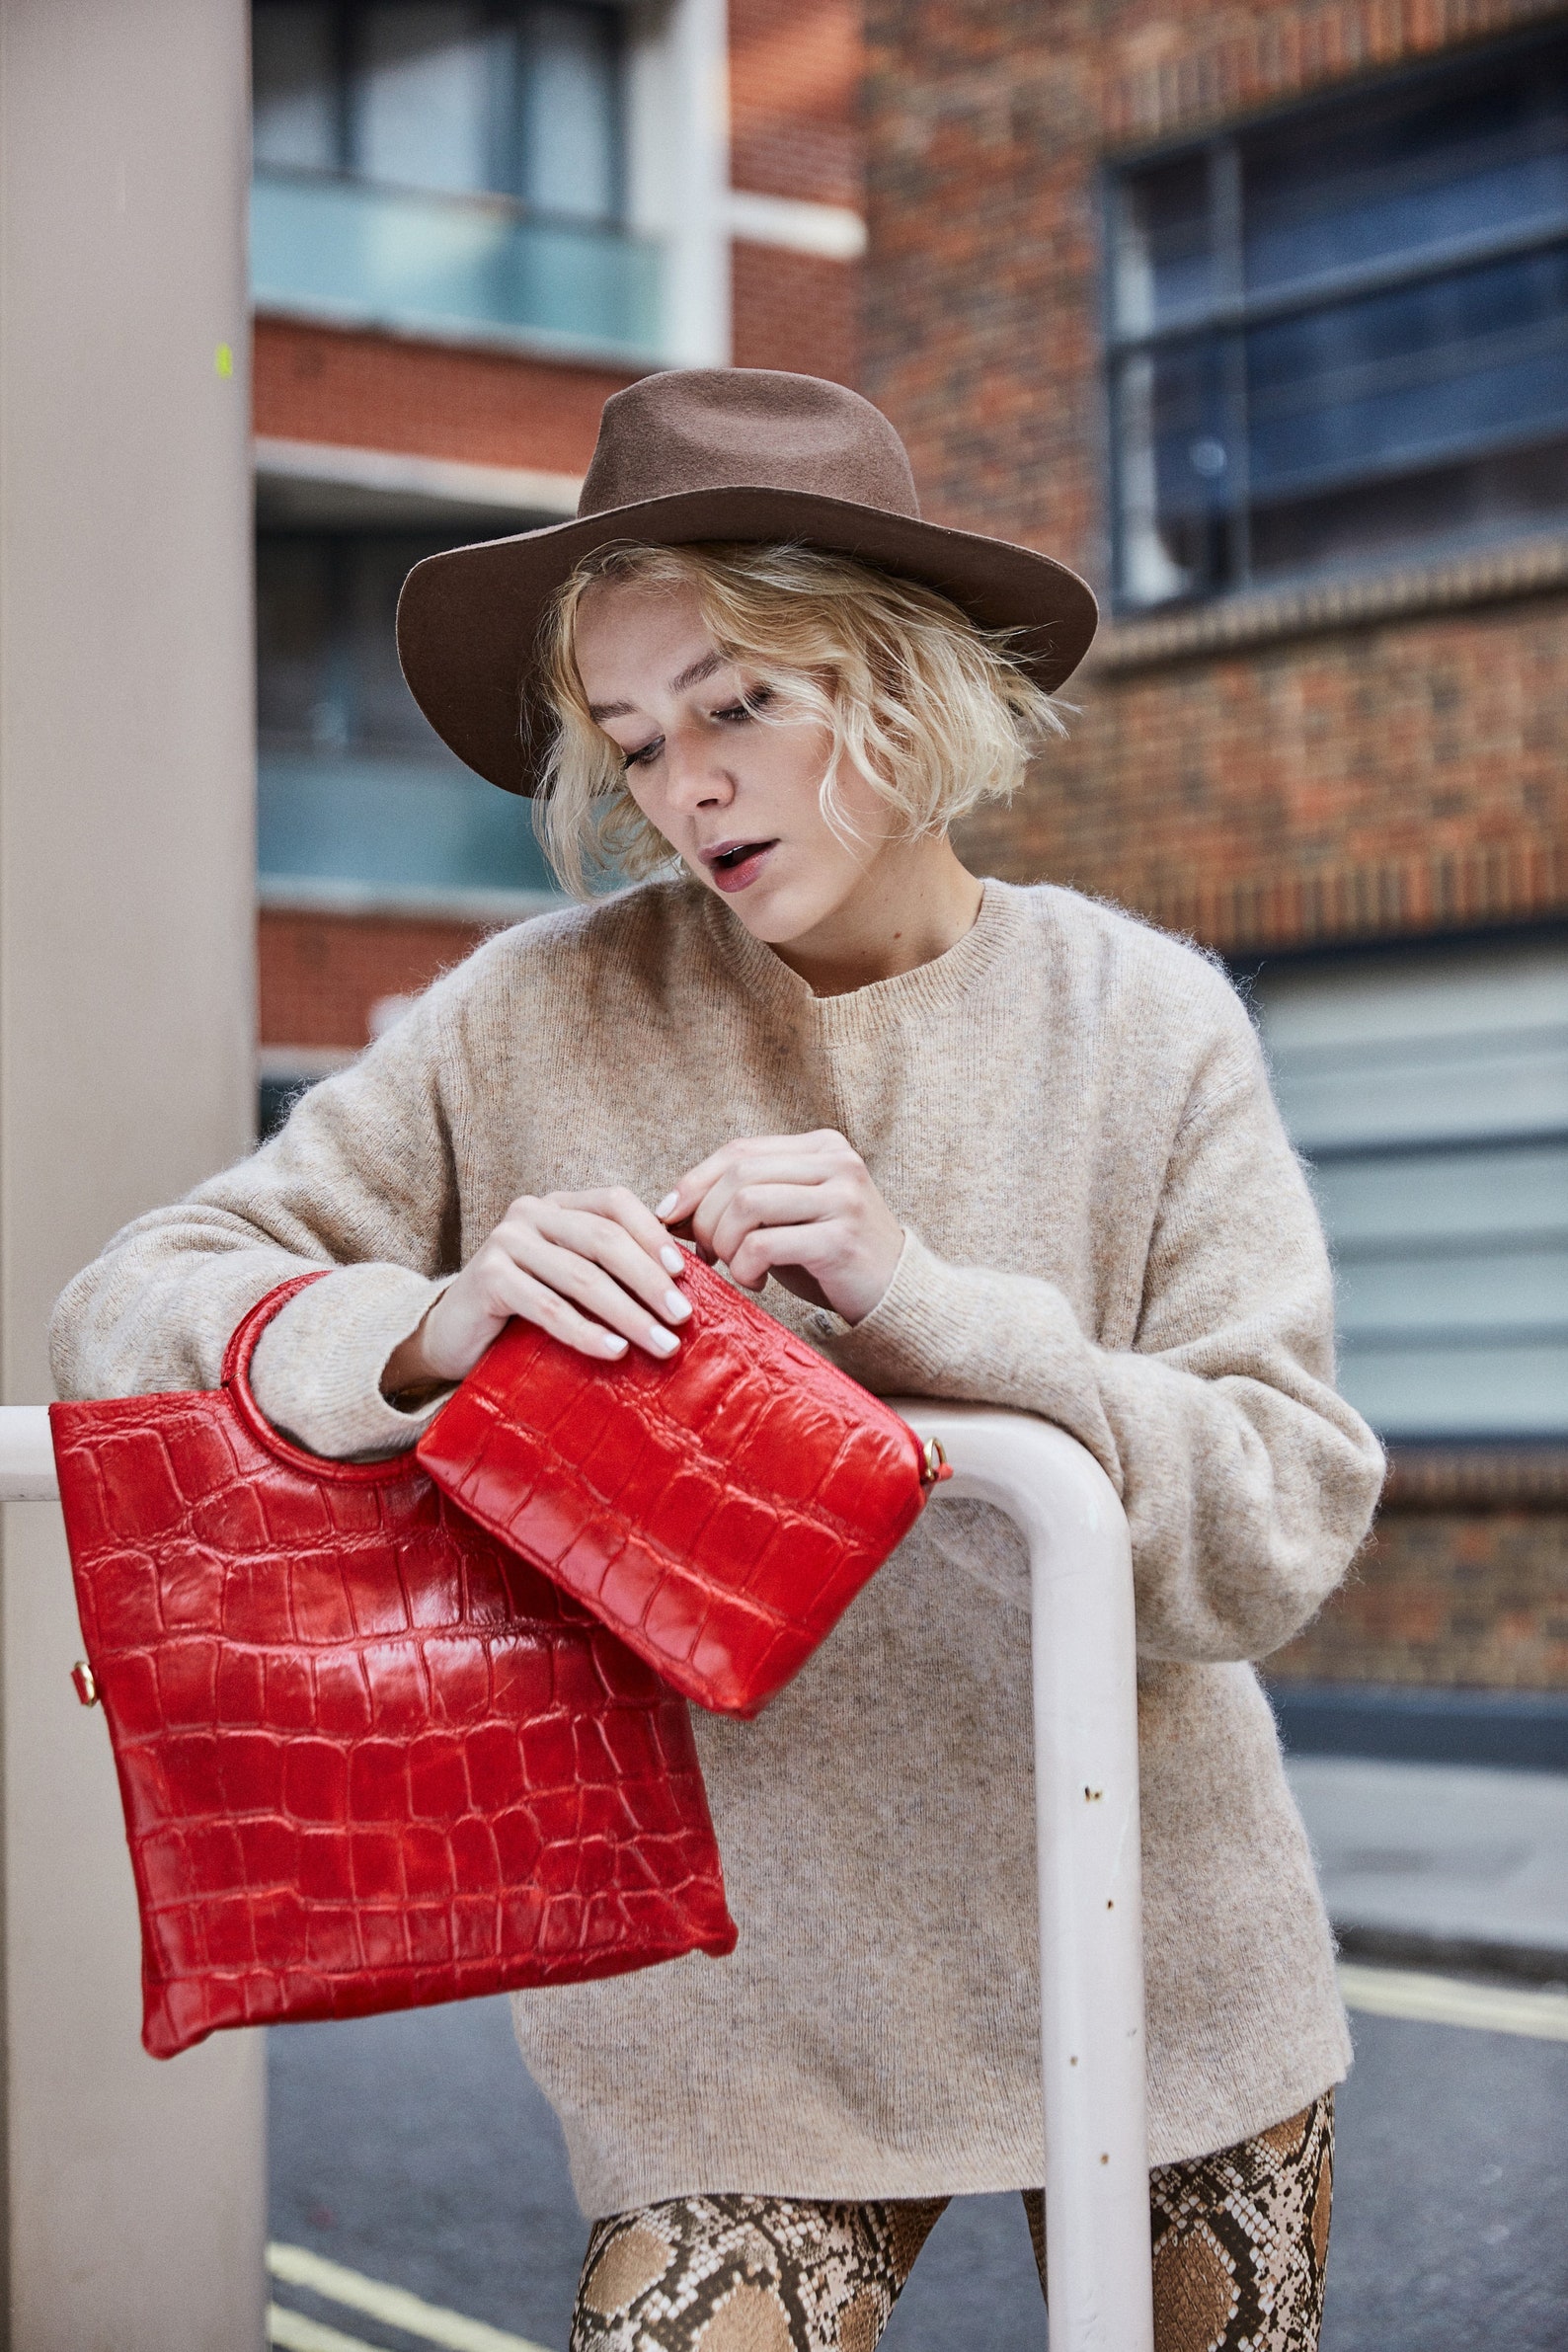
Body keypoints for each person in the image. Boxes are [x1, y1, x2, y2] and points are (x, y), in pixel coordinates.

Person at [52, 368, 1382, 2352]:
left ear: (900, 675)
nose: (684, 787)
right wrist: (423, 1325)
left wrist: (928, 1301)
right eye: (634, 739)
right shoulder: (527, 1013)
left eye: (737, 703)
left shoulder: (1146, 1020)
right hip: (731, 2013)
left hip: (1156, 1949)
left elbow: (1275, 1521)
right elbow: (124, 1307)